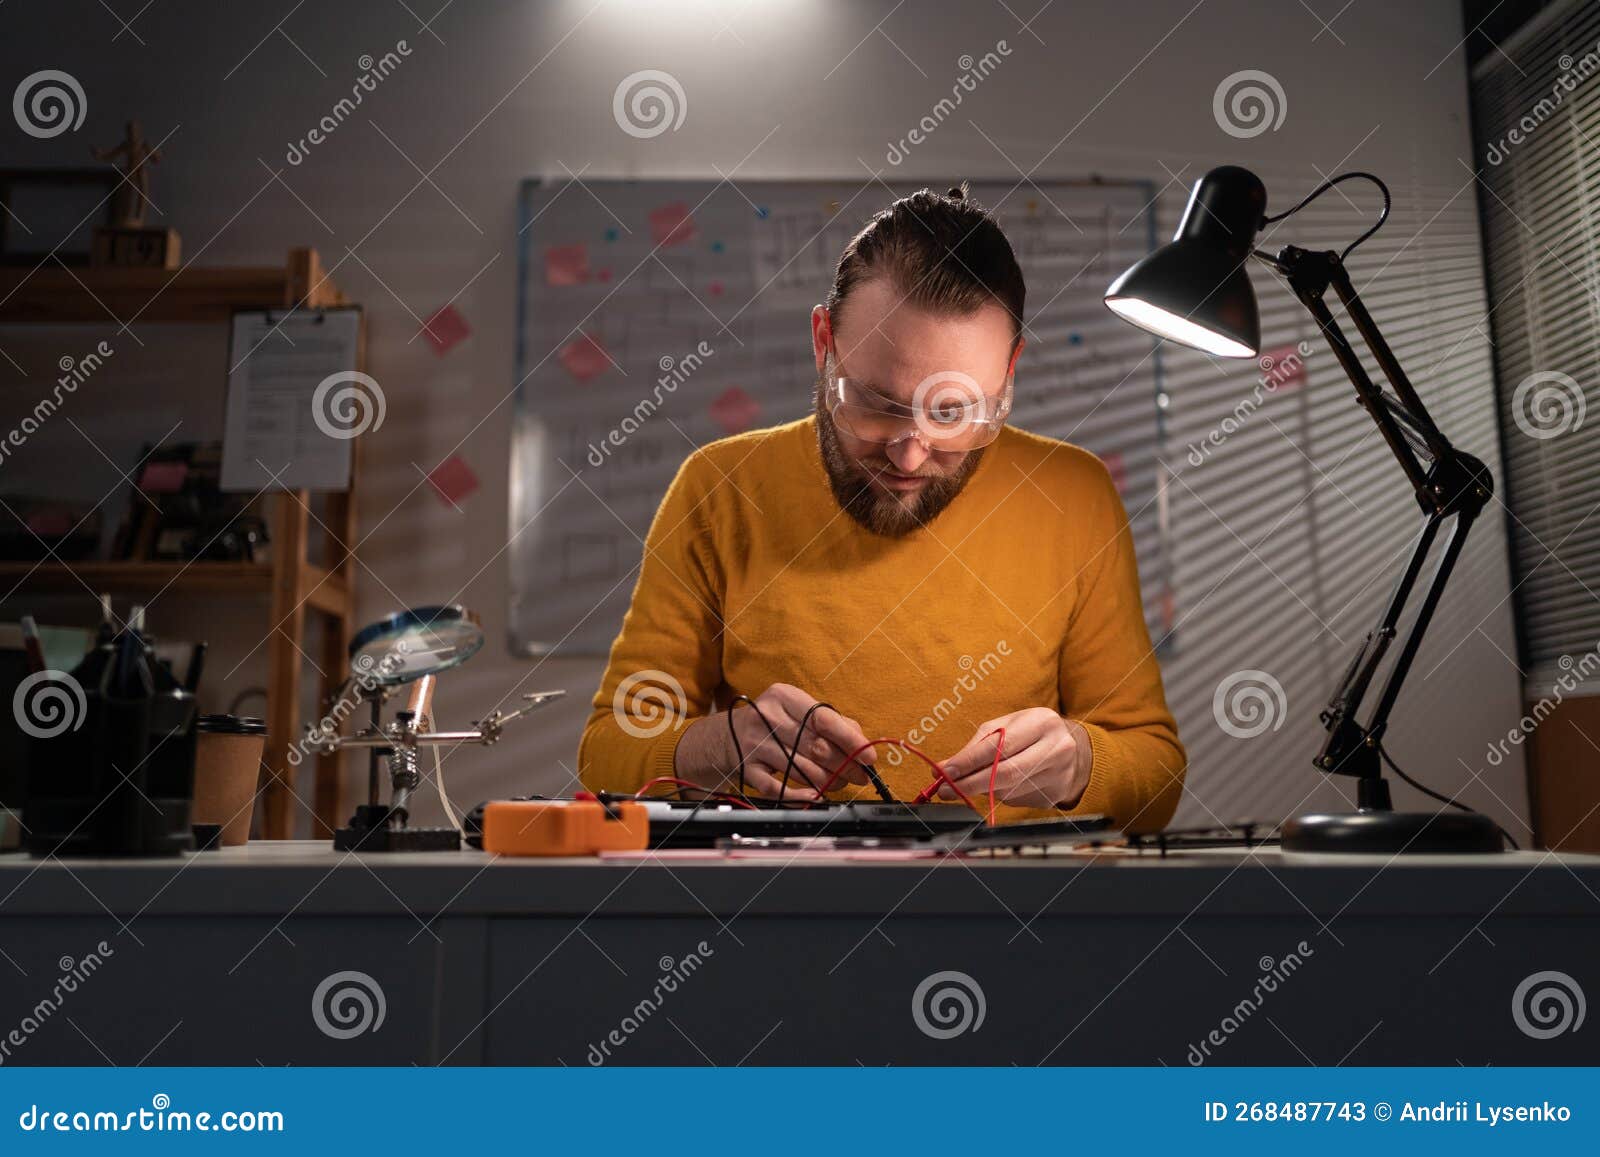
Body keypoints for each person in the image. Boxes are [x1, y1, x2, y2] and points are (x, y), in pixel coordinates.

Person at [579, 185, 1185, 831]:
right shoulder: (719, 488)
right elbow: (606, 753)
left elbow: (1157, 776)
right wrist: (713, 748)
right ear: (823, 344)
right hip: (775, 907)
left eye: (953, 413)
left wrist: (1082, 764)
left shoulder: (1074, 495)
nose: (910, 454)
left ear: (1010, 373)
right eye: (876, 404)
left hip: (1012, 913)